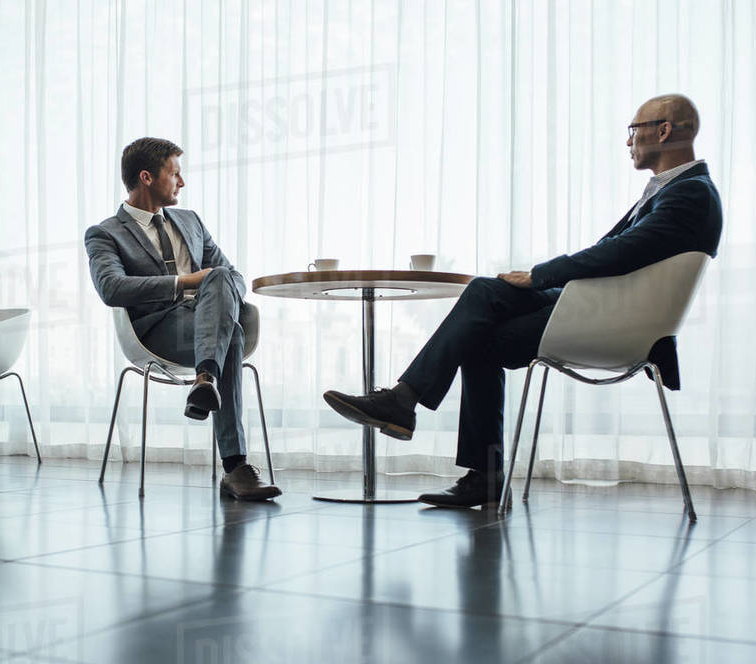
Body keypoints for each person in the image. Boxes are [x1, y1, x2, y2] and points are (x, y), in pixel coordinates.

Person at [323, 94, 723, 508]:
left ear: (663, 131)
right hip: (595, 308)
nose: (628, 141)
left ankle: (430, 426)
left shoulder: (690, 193)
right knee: (484, 292)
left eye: (633, 130)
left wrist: (539, 275)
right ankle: (413, 410)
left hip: (613, 321)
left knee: (476, 334)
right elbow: (620, 254)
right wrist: (538, 281)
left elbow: (620, 252)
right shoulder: (679, 190)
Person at [85, 137, 280, 501]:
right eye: (174, 173)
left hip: (206, 323)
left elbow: (234, 278)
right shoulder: (105, 233)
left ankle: (205, 380)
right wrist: (186, 282)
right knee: (231, 334)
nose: (182, 182)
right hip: (158, 330)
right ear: (146, 177)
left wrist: (215, 286)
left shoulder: (191, 222)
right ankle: (235, 467)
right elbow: (111, 288)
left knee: (222, 289)